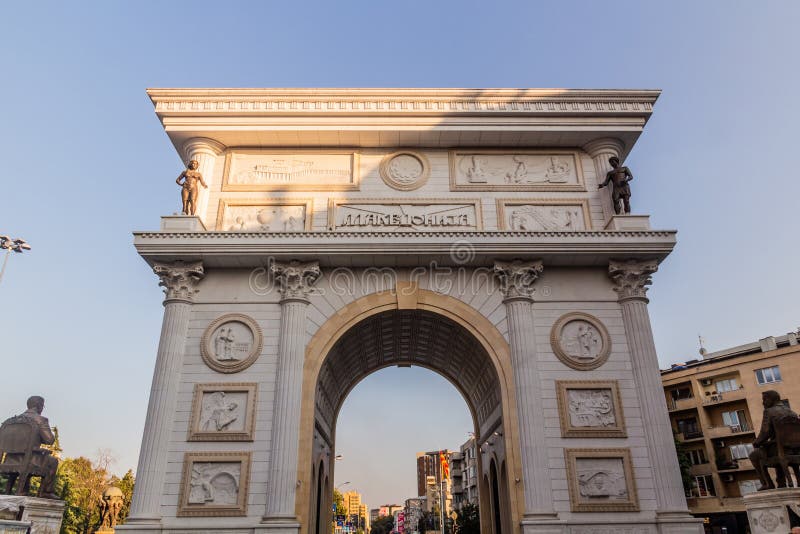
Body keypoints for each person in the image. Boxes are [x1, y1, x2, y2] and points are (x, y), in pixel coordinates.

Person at [749, 390, 800, 490]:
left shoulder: (769, 411)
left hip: (779, 449)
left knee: (754, 455)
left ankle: (767, 484)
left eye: (764, 399)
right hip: (795, 450)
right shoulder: (792, 412)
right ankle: (781, 483)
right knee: (773, 450)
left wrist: (756, 442)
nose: (763, 403)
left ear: (771, 399)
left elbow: (765, 432)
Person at [18, 396, 59, 498]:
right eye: (43, 406)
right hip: (29, 459)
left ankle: (23, 491)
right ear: (39, 406)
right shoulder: (40, 420)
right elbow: (49, 440)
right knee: (53, 461)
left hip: (11, 459)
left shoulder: (14, 419)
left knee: (33, 457)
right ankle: (46, 492)